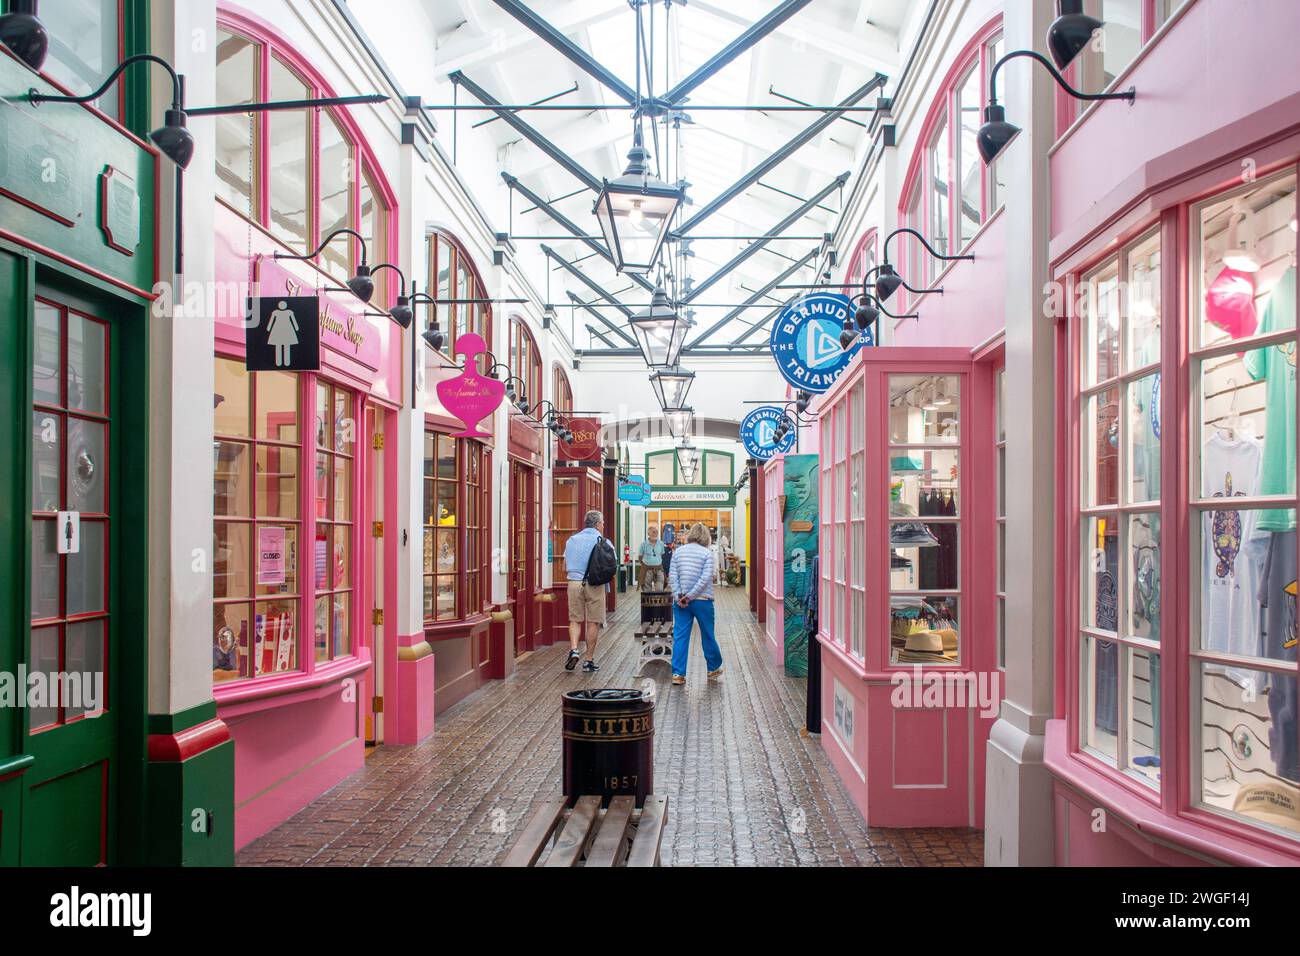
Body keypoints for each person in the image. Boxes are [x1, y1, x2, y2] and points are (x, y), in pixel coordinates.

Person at [668, 522, 723, 687]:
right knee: (707, 634)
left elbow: (672, 576)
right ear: (706, 536)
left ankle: (678, 674)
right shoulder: (707, 553)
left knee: (680, 636)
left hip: (681, 601)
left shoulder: (678, 552)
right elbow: (707, 577)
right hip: (702, 601)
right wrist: (690, 597)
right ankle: (713, 668)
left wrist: (680, 596)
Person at [562, 510, 612, 672]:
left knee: (575, 620)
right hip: (595, 584)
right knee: (593, 621)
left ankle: (574, 649)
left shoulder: (571, 540)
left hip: (574, 583)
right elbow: (612, 567)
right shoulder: (603, 541)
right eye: (603, 523)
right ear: (597, 524)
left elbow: (564, 567)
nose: (603, 525)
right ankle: (588, 660)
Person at [638, 525, 666, 591]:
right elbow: (640, 557)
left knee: (659, 589)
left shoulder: (661, 544)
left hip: (658, 569)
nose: (655, 534)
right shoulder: (643, 544)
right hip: (647, 570)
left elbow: (661, 556)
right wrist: (644, 566)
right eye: (653, 532)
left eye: (656, 532)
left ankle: (657, 601)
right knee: (646, 589)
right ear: (648, 534)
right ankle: (648, 601)